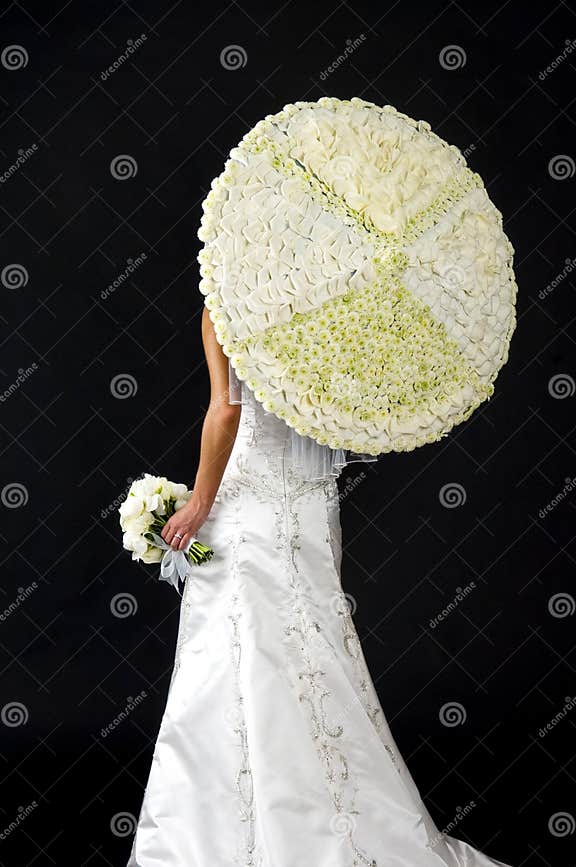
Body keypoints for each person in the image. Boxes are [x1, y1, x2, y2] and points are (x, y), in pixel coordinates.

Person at [126, 306, 513, 866]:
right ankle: (318, 810)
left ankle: (226, 826)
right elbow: (335, 415)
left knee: (235, 652)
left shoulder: (225, 304)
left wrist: (200, 503)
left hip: (250, 500)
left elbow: (226, 410)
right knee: (311, 650)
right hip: (308, 504)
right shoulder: (316, 307)